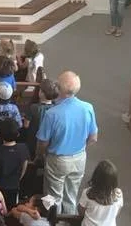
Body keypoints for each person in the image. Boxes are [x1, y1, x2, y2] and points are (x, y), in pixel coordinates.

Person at [36, 70, 98, 213]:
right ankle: (68, 225)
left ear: (59, 89)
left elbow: (43, 143)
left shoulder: (52, 114)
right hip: (79, 158)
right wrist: (80, 148)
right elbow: (93, 137)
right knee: (71, 195)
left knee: (53, 198)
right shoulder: (88, 108)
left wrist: (41, 155)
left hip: (58, 160)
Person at [0, 119, 29, 205]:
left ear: (0, 135)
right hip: (15, 185)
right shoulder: (23, 148)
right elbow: (24, 167)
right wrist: (17, 179)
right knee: (12, 207)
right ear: (18, 134)